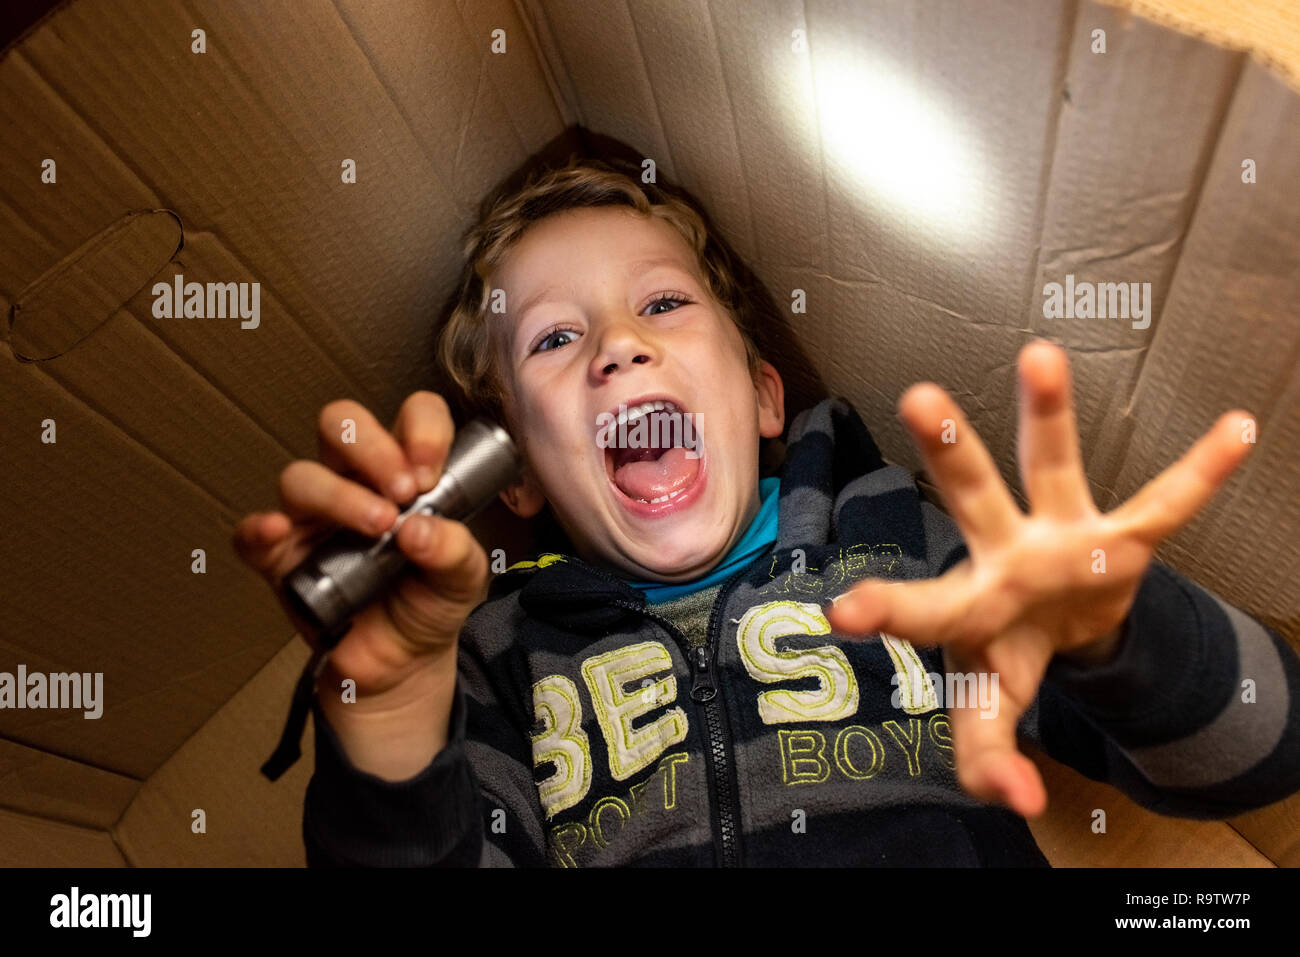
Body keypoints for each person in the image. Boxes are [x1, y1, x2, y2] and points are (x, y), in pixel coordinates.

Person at [233, 158, 1300, 866]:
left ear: (759, 398)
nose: (617, 344)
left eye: (661, 303)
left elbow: (1266, 752)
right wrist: (387, 722)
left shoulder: (914, 551)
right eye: (553, 340)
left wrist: (1125, 633)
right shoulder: (496, 660)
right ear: (516, 479)